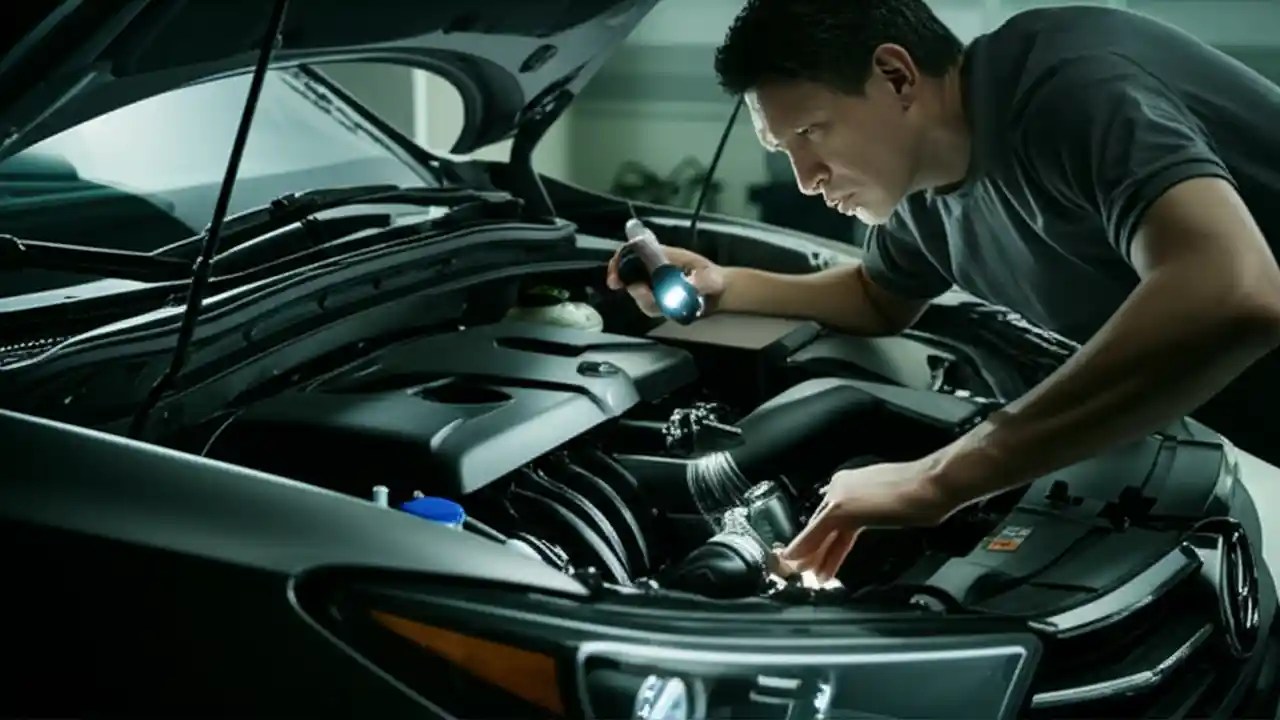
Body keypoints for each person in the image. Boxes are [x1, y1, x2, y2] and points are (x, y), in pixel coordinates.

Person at [605, 0, 1280, 583]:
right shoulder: (925, 201)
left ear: (896, 76)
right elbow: (877, 298)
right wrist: (727, 288)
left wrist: (938, 479)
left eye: (810, 132)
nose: (806, 177)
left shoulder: (1070, 86)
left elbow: (1235, 291)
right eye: (785, 150)